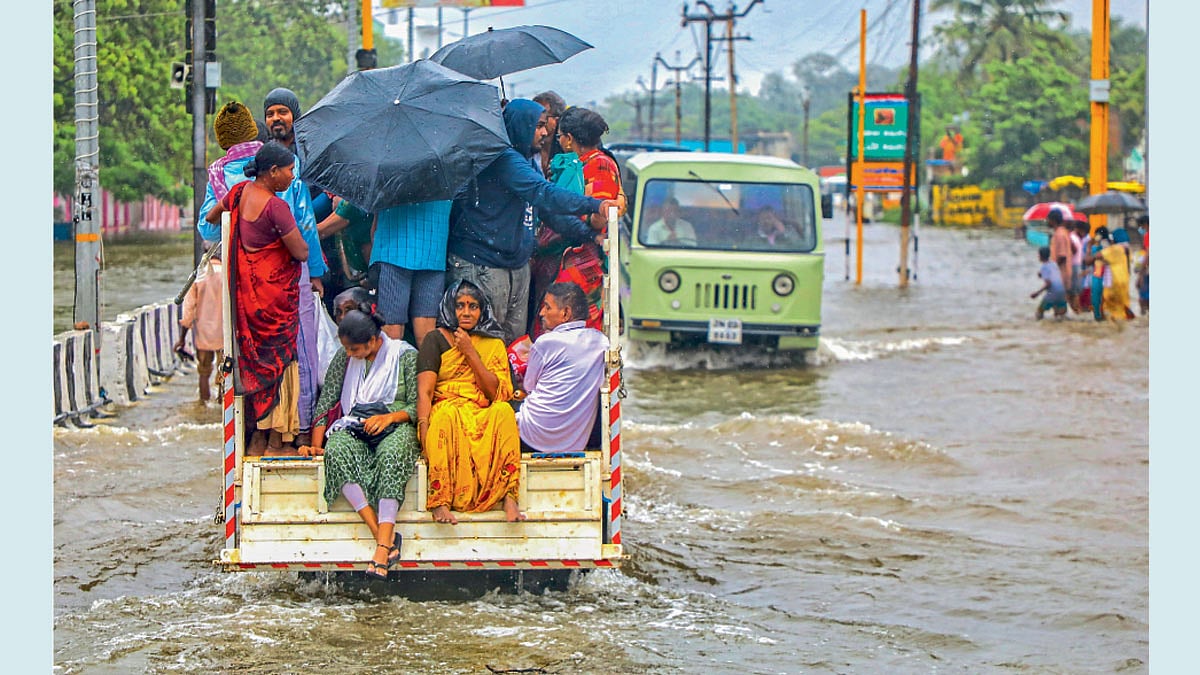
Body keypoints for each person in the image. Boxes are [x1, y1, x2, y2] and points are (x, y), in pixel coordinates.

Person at [446, 98, 621, 344]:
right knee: (485, 342)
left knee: (514, 344)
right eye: (538, 126)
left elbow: (548, 212)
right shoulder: (503, 158)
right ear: (521, 126)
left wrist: (589, 235)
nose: (545, 133)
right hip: (484, 262)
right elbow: (544, 193)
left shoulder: (527, 161)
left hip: (515, 264)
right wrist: (594, 204)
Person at [297, 309, 420, 580]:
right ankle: (383, 538)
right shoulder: (344, 357)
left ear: (373, 341)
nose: (349, 354)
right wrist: (318, 446)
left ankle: (382, 547)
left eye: (354, 349)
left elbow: (417, 406)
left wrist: (388, 418)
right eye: (346, 348)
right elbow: (327, 401)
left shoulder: (405, 356)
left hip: (396, 425)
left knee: (393, 454)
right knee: (336, 449)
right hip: (355, 424)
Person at [205, 142, 309, 455]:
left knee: (255, 363)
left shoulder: (238, 193)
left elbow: (212, 217)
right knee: (280, 364)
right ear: (273, 171)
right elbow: (301, 252)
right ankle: (277, 439)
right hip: (275, 302)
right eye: (289, 170)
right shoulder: (276, 208)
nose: (292, 176)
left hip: (247, 302)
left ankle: (256, 438)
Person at [415, 280, 523, 524]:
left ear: (482, 310)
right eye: (459, 305)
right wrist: (423, 429)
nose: (466, 312)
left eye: (473, 306)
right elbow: (425, 392)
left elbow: (495, 393)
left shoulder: (493, 344)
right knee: (444, 416)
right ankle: (440, 501)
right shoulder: (435, 339)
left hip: (481, 409)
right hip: (448, 409)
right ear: (449, 308)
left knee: (504, 412)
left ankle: (509, 496)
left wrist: (470, 352)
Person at [262, 87, 327, 447]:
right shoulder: (261, 159)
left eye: (282, 112)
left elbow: (308, 219)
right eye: (271, 113)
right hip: (283, 266)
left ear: (294, 116)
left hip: (302, 262)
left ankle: (300, 424)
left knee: (302, 347)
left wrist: (316, 271)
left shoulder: (310, 155)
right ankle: (288, 426)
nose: (276, 119)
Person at [531, 107, 623, 337]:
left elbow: (599, 218)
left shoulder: (599, 164)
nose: (559, 141)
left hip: (580, 261)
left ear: (570, 139)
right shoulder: (572, 164)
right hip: (559, 257)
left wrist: (573, 212)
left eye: (560, 136)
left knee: (572, 328)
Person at [515, 282, 609, 453]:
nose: (542, 313)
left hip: (531, 433)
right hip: (574, 442)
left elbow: (529, 387)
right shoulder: (600, 341)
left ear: (565, 313)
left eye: (547, 307)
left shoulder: (545, 342)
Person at [369, 198, 453, 348]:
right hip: (433, 246)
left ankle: (394, 364)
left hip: (393, 246)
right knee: (426, 330)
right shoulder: (448, 182)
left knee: (392, 332)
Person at [195, 100, 262, 228]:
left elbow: (207, 230)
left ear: (222, 140)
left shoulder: (217, 173)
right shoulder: (279, 164)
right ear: (253, 130)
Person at [175, 249, 224, 402]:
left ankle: (203, 404)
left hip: (203, 333)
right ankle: (223, 405)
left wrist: (182, 339)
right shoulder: (228, 274)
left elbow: (189, 311)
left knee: (203, 372)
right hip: (225, 333)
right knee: (225, 372)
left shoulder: (198, 276)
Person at [1099, 233, 1133, 322]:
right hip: (1125, 283)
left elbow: (1091, 259)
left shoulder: (1113, 249)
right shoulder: (1127, 250)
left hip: (1113, 283)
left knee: (1108, 309)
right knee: (1122, 309)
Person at [533, 90, 567, 177]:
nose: (536, 120)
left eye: (544, 117)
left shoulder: (566, 147)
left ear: (556, 120)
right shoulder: (528, 146)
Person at [1030, 246, 1068, 320]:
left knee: (1039, 312)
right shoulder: (1054, 264)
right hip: (1062, 290)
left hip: (1053, 292)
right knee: (1060, 315)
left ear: (1040, 256)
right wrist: (1041, 274)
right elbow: (1054, 274)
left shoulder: (1044, 267)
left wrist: (1037, 293)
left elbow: (1048, 283)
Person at [1047, 210, 1074, 307]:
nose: (1047, 221)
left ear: (1053, 220)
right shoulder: (1061, 233)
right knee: (1060, 303)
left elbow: (1062, 256)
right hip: (1061, 274)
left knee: (1058, 304)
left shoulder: (1060, 234)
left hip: (1061, 274)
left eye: (1048, 219)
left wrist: (1051, 269)